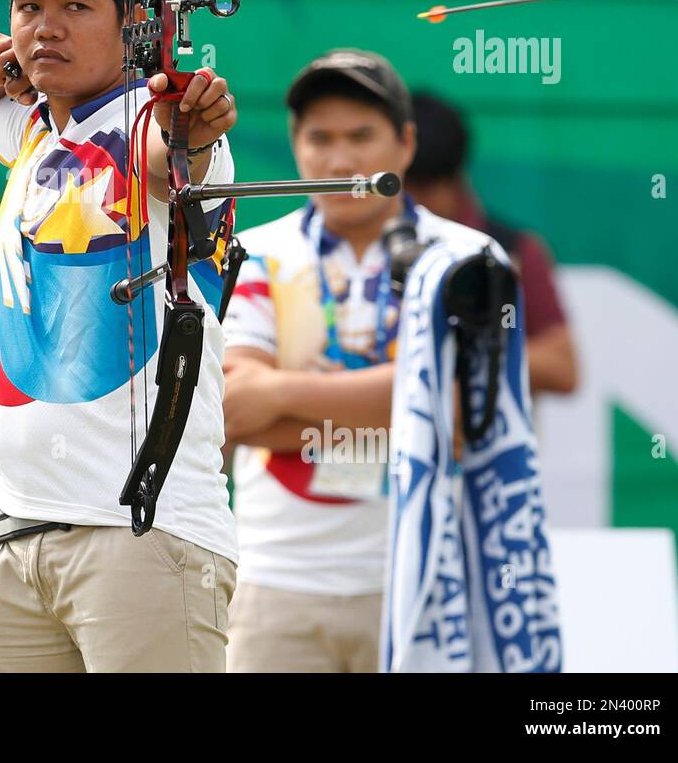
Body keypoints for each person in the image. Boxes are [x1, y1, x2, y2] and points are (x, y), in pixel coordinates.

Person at [0, 0, 239, 673]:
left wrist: (189, 124)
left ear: (136, 22)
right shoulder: (35, 131)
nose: (46, 27)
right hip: (18, 529)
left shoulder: (145, 127)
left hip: (141, 538)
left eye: (76, 5)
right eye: (29, 7)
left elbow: (182, 156)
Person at [221, 49, 494, 673]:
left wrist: (283, 402)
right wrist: (404, 399)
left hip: (424, 575)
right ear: (295, 144)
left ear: (405, 144)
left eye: (361, 136)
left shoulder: (468, 258)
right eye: (320, 137)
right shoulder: (253, 253)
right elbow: (235, 410)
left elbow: (456, 414)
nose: (340, 160)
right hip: (274, 581)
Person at [406, 91, 578, 394]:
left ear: (455, 177)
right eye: (401, 187)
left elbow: (563, 369)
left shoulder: (513, 251)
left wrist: (470, 351)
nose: (413, 205)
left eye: (424, 187)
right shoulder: (366, 248)